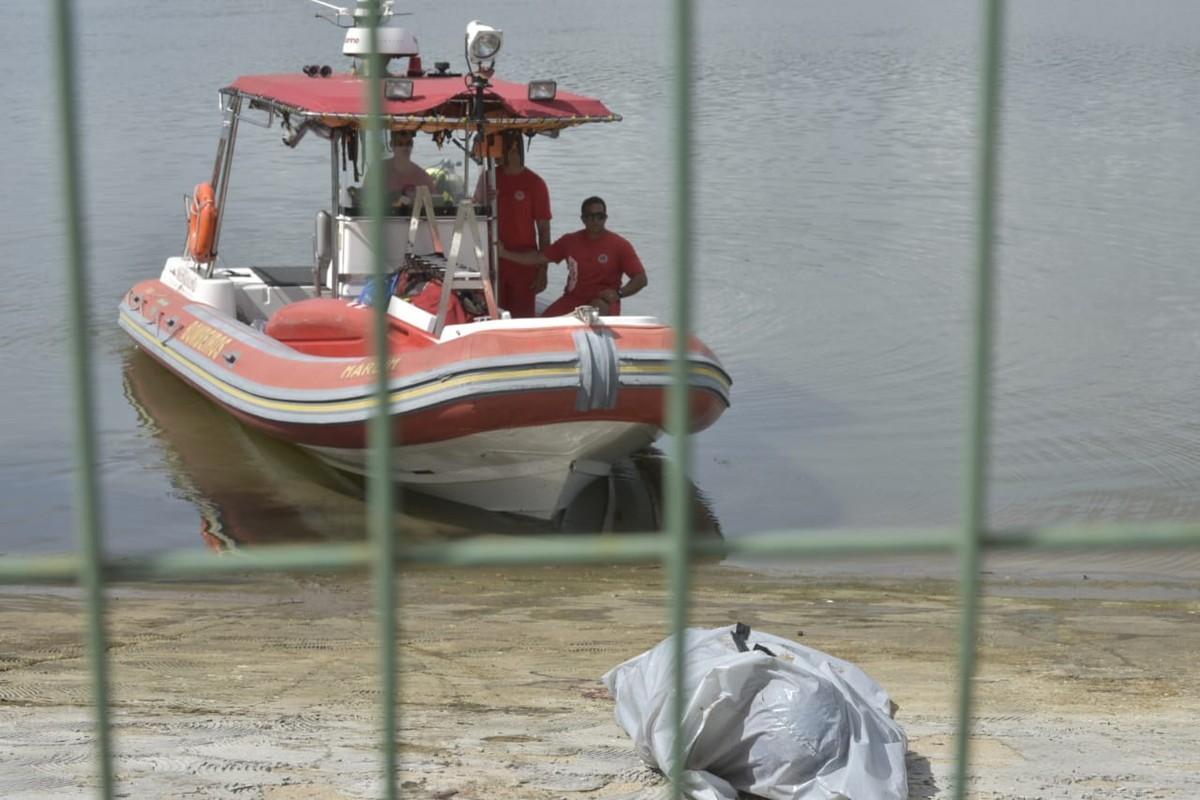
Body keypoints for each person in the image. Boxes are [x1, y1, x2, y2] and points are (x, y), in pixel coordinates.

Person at [499, 196, 647, 317]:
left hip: (603, 303)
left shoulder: (619, 245)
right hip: (572, 300)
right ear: (583, 219)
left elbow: (641, 279)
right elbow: (539, 257)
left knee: (596, 309)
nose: (595, 220)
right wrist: (505, 254)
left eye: (599, 216)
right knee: (543, 324)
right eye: (590, 216)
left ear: (605, 218)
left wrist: (619, 293)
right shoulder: (569, 241)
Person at [474, 131, 552, 318]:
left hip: (523, 264)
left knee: (522, 318)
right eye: (507, 147)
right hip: (493, 262)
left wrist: (543, 269)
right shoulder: (489, 178)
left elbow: (544, 230)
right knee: (491, 314)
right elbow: (473, 216)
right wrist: (483, 202)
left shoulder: (535, 184)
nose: (511, 153)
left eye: (514, 146)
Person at [363, 129, 436, 209]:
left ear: (412, 145)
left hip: (413, 219)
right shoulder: (376, 171)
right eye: (400, 144)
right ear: (391, 145)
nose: (405, 148)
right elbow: (365, 201)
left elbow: (434, 205)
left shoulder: (422, 177)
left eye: (408, 144)